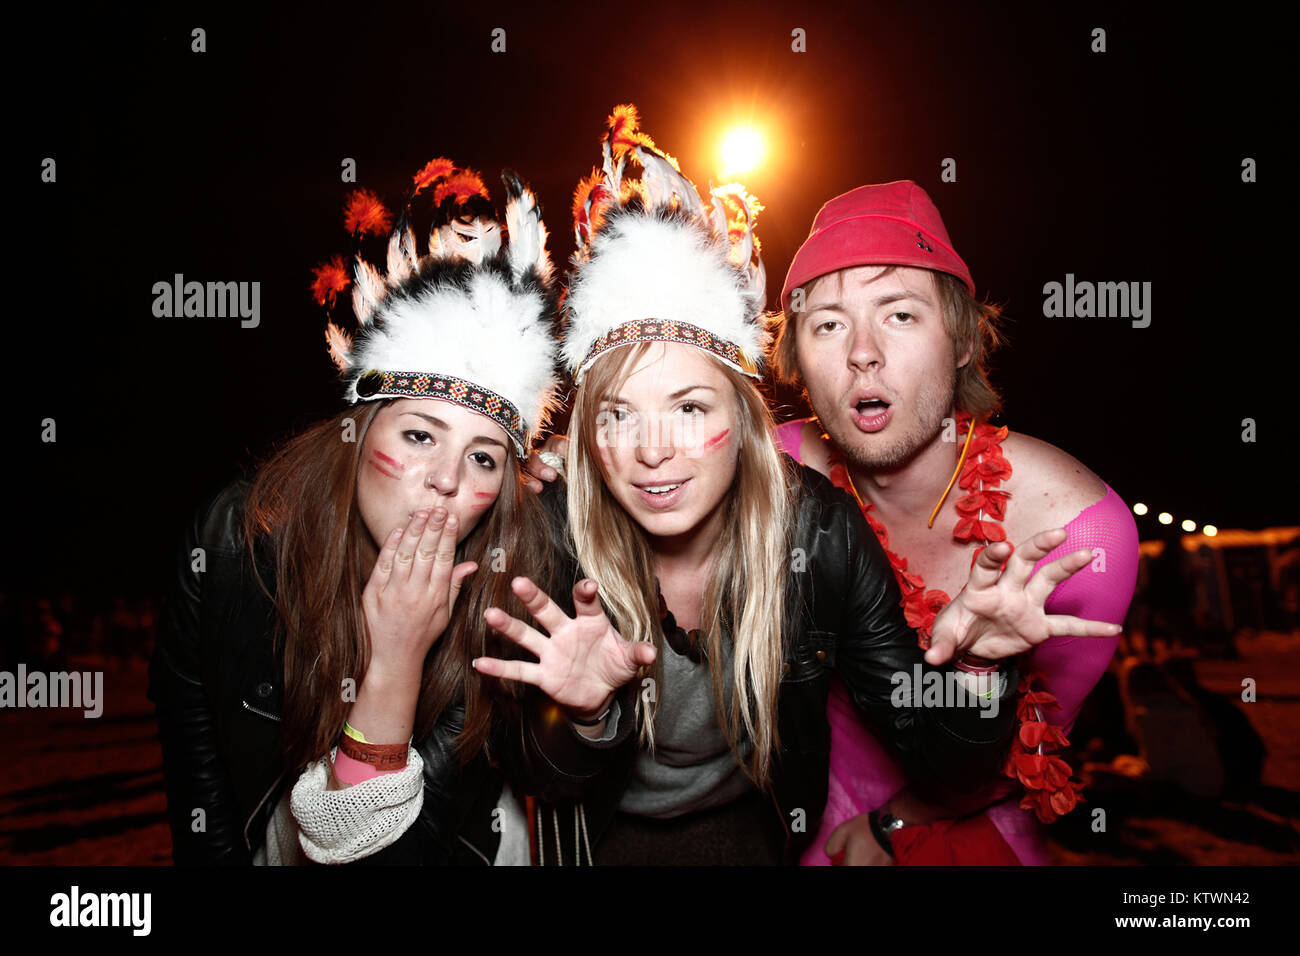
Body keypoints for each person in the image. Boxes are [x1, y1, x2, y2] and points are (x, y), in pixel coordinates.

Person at [473, 106, 1122, 865]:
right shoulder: (550, 522)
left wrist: (978, 673)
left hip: (763, 830)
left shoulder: (818, 529)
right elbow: (532, 780)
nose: (653, 451)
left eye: (689, 408)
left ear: (747, 422)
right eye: (617, 415)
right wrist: (580, 718)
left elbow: (945, 766)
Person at [148, 159, 562, 864]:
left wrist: (397, 656)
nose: (444, 481)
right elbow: (203, 791)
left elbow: (382, 860)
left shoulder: (508, 586)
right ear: (358, 433)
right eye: (419, 434)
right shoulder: (232, 542)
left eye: (484, 457)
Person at [769, 180, 1140, 864]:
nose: (862, 353)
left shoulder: (1081, 534)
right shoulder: (775, 468)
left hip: (961, 813)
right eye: (827, 322)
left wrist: (896, 824)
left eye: (900, 315)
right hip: (803, 798)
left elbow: (1032, 749)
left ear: (964, 340)